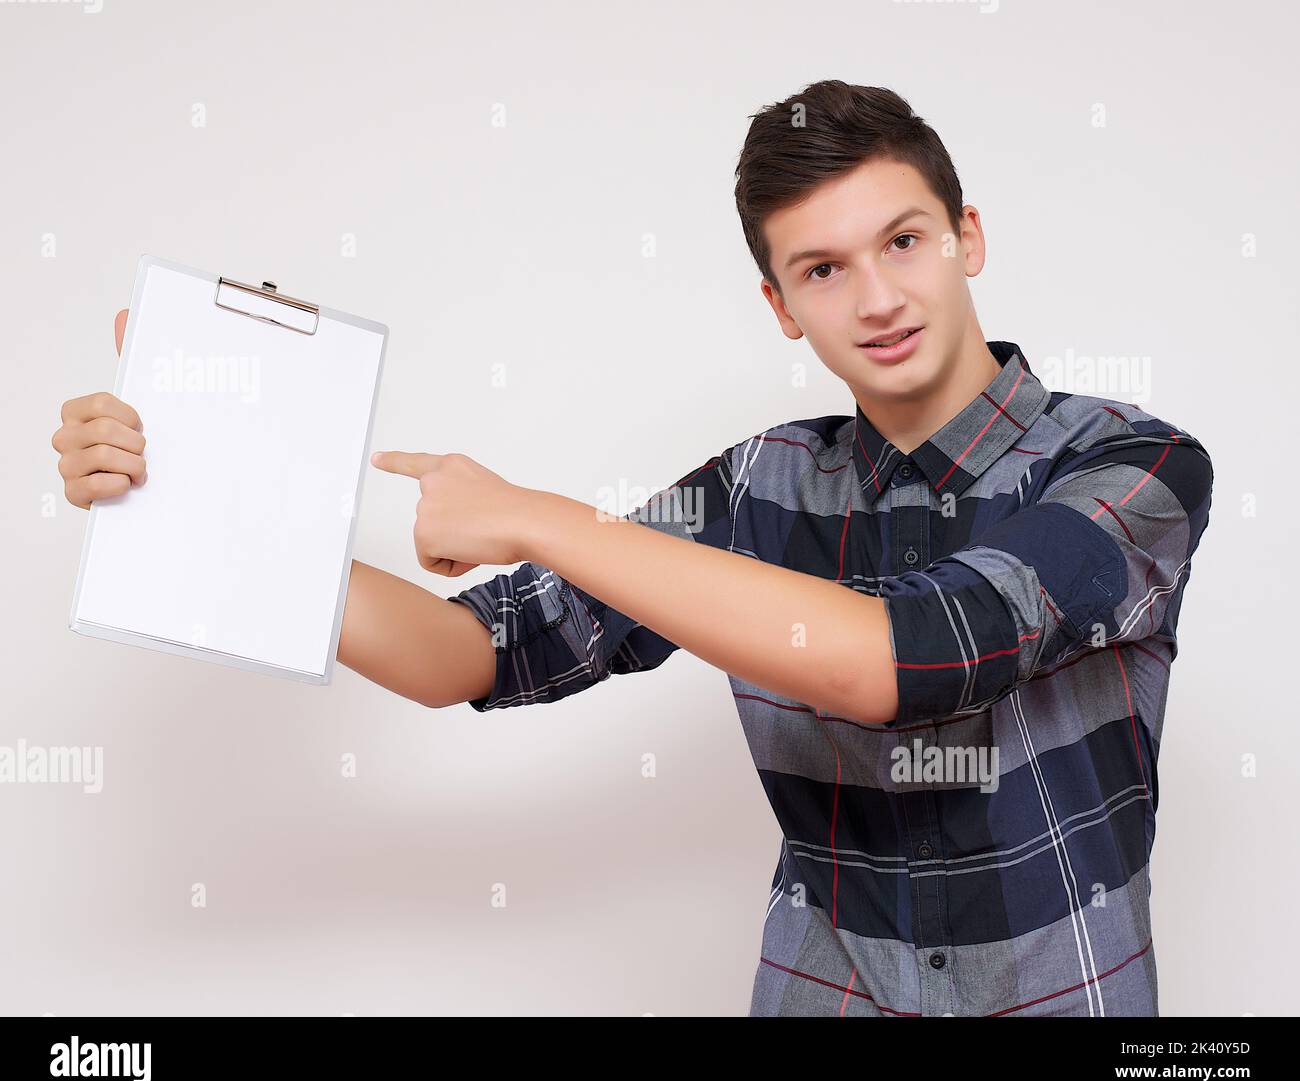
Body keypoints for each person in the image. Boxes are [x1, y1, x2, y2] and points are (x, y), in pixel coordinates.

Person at [50, 80, 1214, 1017]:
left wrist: (540, 513)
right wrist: (204, 490)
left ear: (965, 238)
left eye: (902, 240)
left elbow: (909, 655)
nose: (876, 297)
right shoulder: (760, 484)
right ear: (780, 305)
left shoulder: (1135, 466)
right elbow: (466, 653)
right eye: (822, 269)